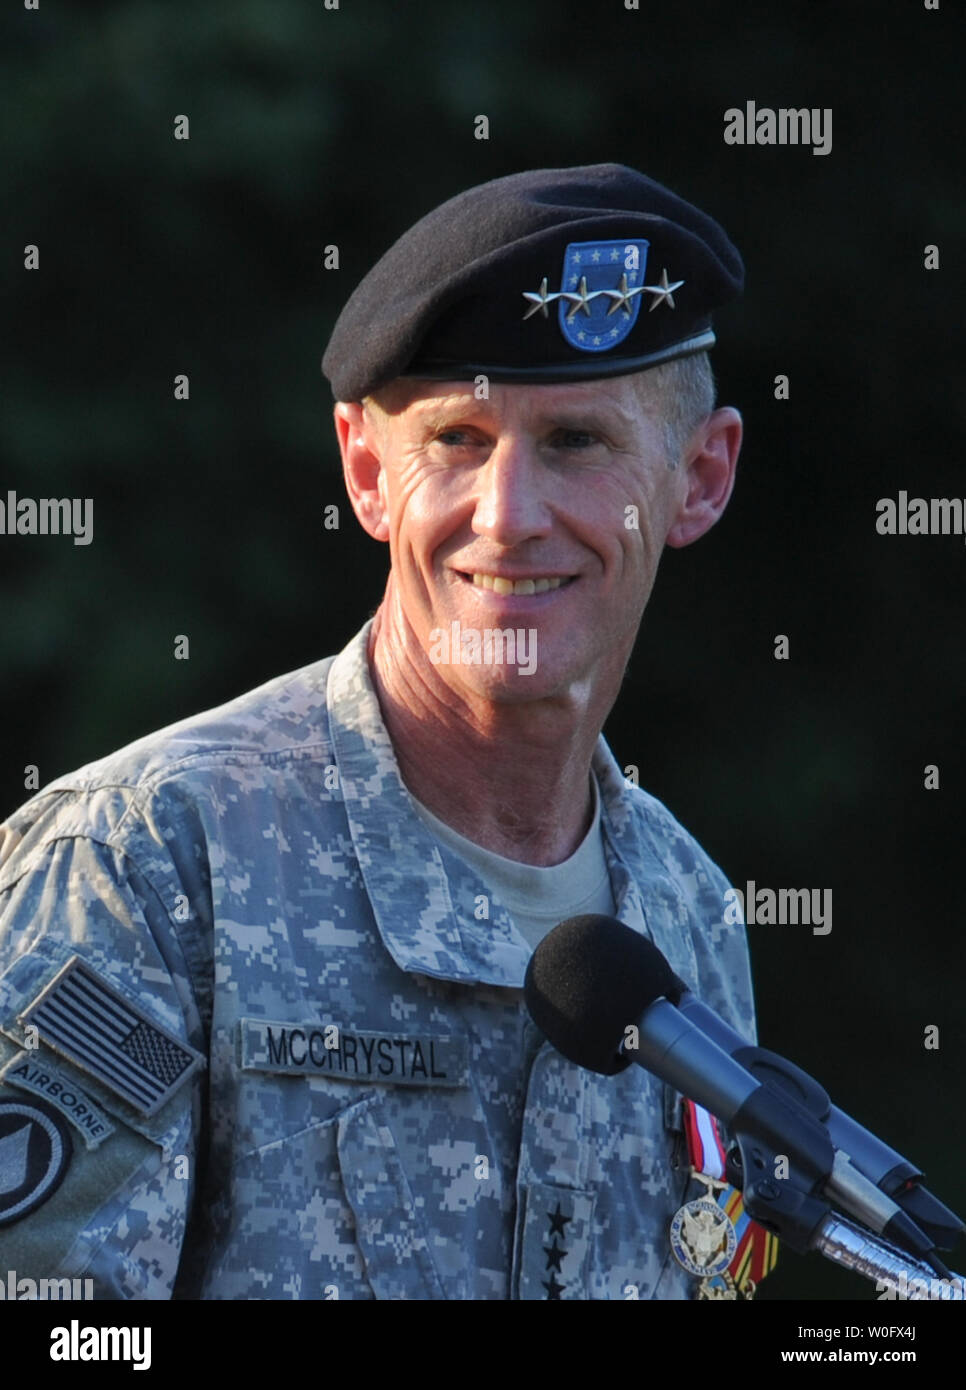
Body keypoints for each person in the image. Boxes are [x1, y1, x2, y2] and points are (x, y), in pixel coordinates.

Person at [0, 163, 761, 1299]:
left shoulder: (691, 916)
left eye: (578, 444)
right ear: (367, 473)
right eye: (456, 439)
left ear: (699, 479)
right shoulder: (148, 863)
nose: (508, 517)